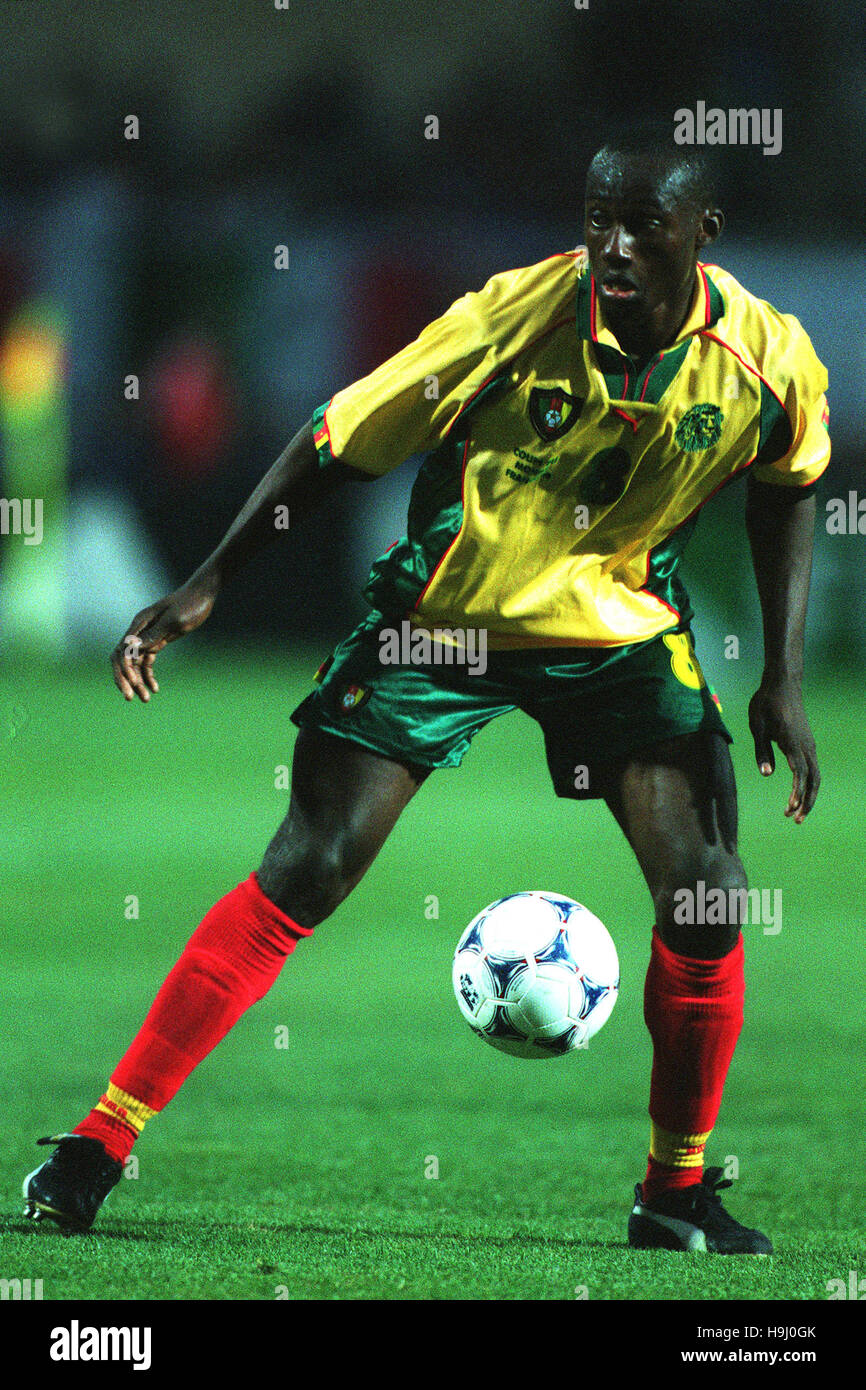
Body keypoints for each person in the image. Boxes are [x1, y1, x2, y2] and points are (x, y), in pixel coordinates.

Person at [23, 131, 829, 1254]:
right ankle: (96, 1143)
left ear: (703, 235)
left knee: (704, 891)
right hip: (447, 623)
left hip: (617, 633)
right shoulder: (509, 318)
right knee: (310, 861)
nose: (612, 246)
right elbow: (338, 438)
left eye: (644, 225)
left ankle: (673, 1189)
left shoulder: (765, 355)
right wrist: (206, 581)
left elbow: (792, 482)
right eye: (598, 217)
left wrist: (781, 679)